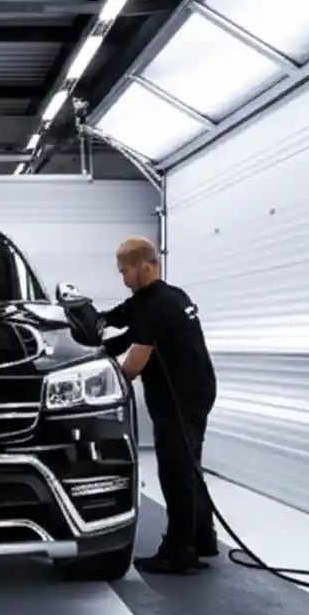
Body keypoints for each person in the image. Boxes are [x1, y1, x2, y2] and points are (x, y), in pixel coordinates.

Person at [99, 236, 218, 575]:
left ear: (146, 267)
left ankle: (179, 553)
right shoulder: (169, 296)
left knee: (176, 470)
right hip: (199, 390)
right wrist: (89, 321)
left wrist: (106, 387)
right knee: (191, 465)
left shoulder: (153, 306)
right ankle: (203, 538)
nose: (122, 278)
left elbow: (135, 361)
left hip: (179, 398)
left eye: (125, 271)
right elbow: (121, 321)